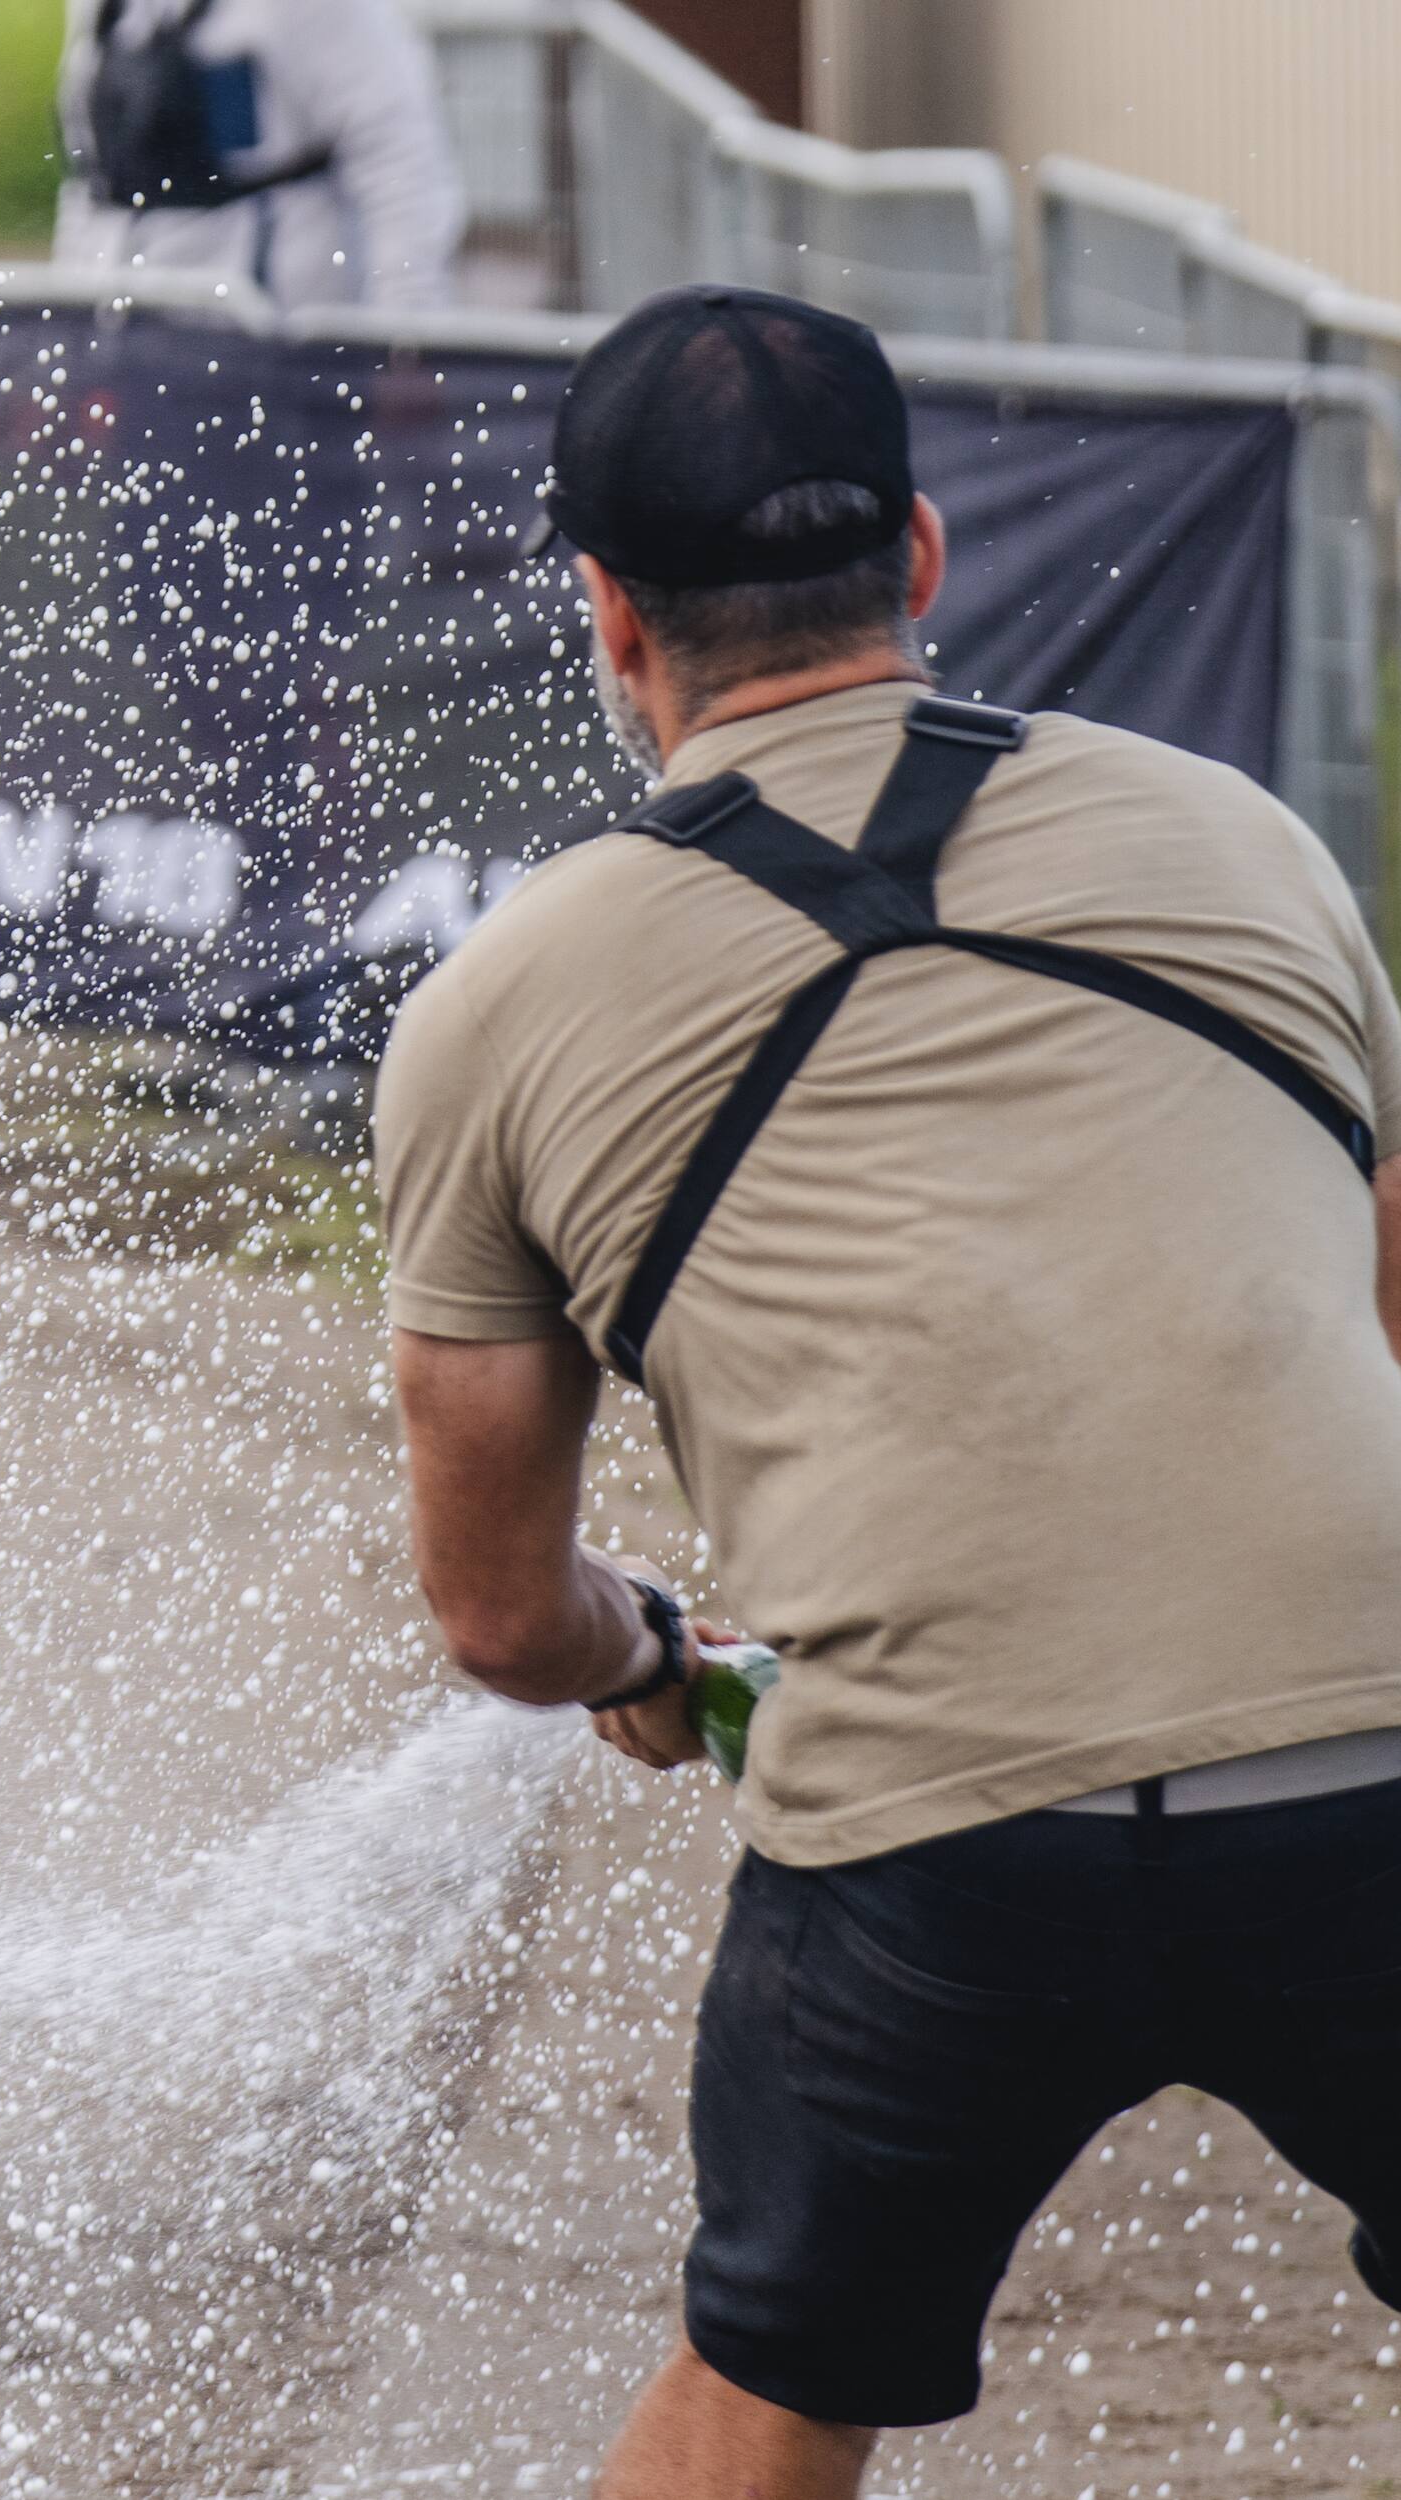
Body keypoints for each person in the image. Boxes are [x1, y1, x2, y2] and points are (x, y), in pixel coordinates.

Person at [374, 284, 1401, 2500]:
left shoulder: (498, 1004)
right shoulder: (1247, 841)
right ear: (924, 559)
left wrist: (644, 1648)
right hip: (1375, 1761)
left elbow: (491, 1610)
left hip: (937, 1847)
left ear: (602, 612)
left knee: (763, 2386)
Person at [56, 0, 464, 312]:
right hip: (124, 334)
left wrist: (408, 335)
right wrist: (66, 316)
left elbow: (399, 157)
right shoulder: (103, 11)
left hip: (271, 352)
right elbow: (91, 179)